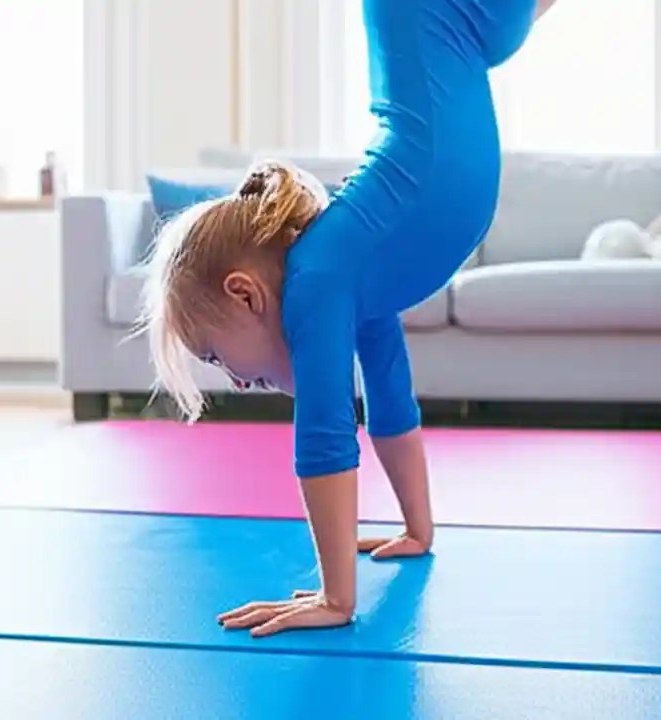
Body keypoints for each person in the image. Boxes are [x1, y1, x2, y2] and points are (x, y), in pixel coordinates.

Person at [140, 0, 559, 638]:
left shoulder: (315, 285)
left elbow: (326, 437)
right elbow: (391, 396)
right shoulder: (352, 276)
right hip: (463, 41)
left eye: (216, 356)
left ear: (245, 294)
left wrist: (337, 599)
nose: (233, 377)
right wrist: (417, 530)